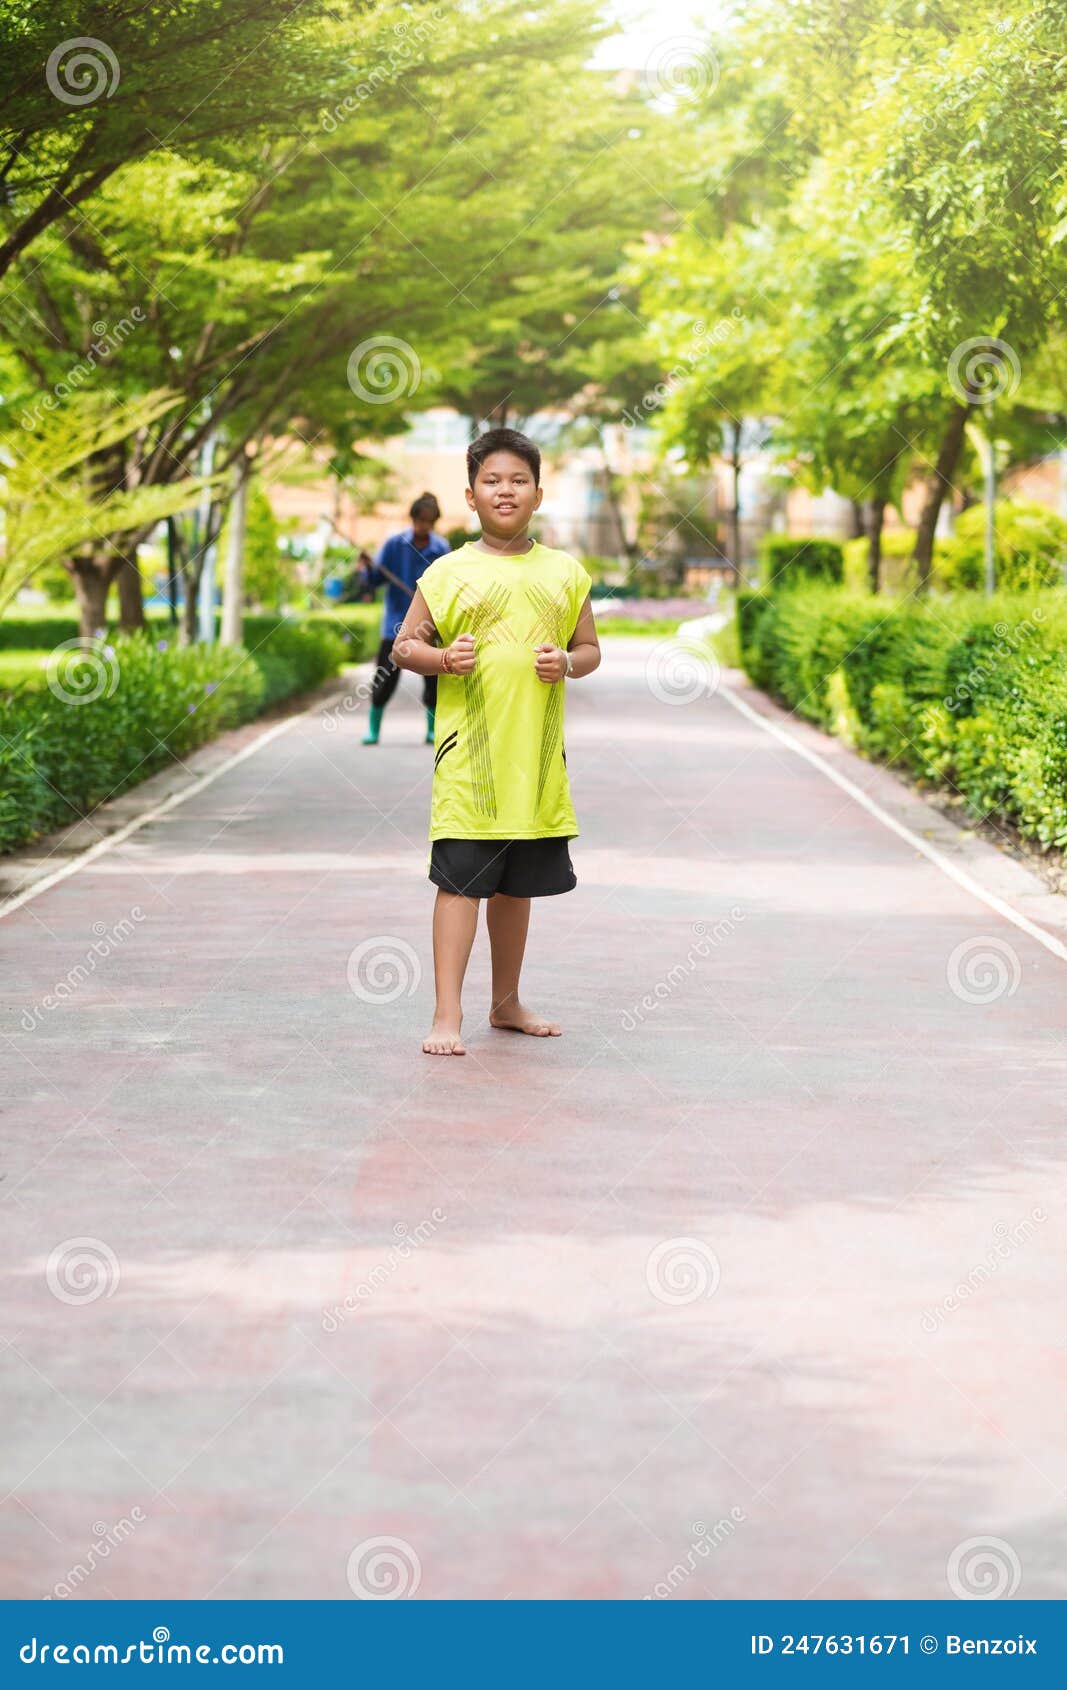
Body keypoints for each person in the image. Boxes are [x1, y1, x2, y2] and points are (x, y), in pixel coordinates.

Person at [390, 427, 601, 1056]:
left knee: (517, 888)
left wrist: (566, 662)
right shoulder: (448, 571)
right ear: (471, 495)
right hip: (470, 766)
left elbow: (590, 649)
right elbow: (404, 646)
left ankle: (506, 1004)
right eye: (492, 480)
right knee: (460, 885)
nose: (504, 490)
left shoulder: (566, 573)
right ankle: (446, 1016)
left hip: (536, 766)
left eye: (518, 480)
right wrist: (443, 658)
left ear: (538, 493)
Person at [362, 493, 449, 745]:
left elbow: (449, 584)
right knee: (384, 679)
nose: (424, 526)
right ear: (413, 519)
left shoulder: (441, 548)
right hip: (395, 626)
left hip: (429, 626)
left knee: (434, 679)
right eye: (421, 520)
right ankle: (373, 728)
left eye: (429, 522)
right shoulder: (394, 544)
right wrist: (368, 568)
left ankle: (432, 729)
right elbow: (375, 581)